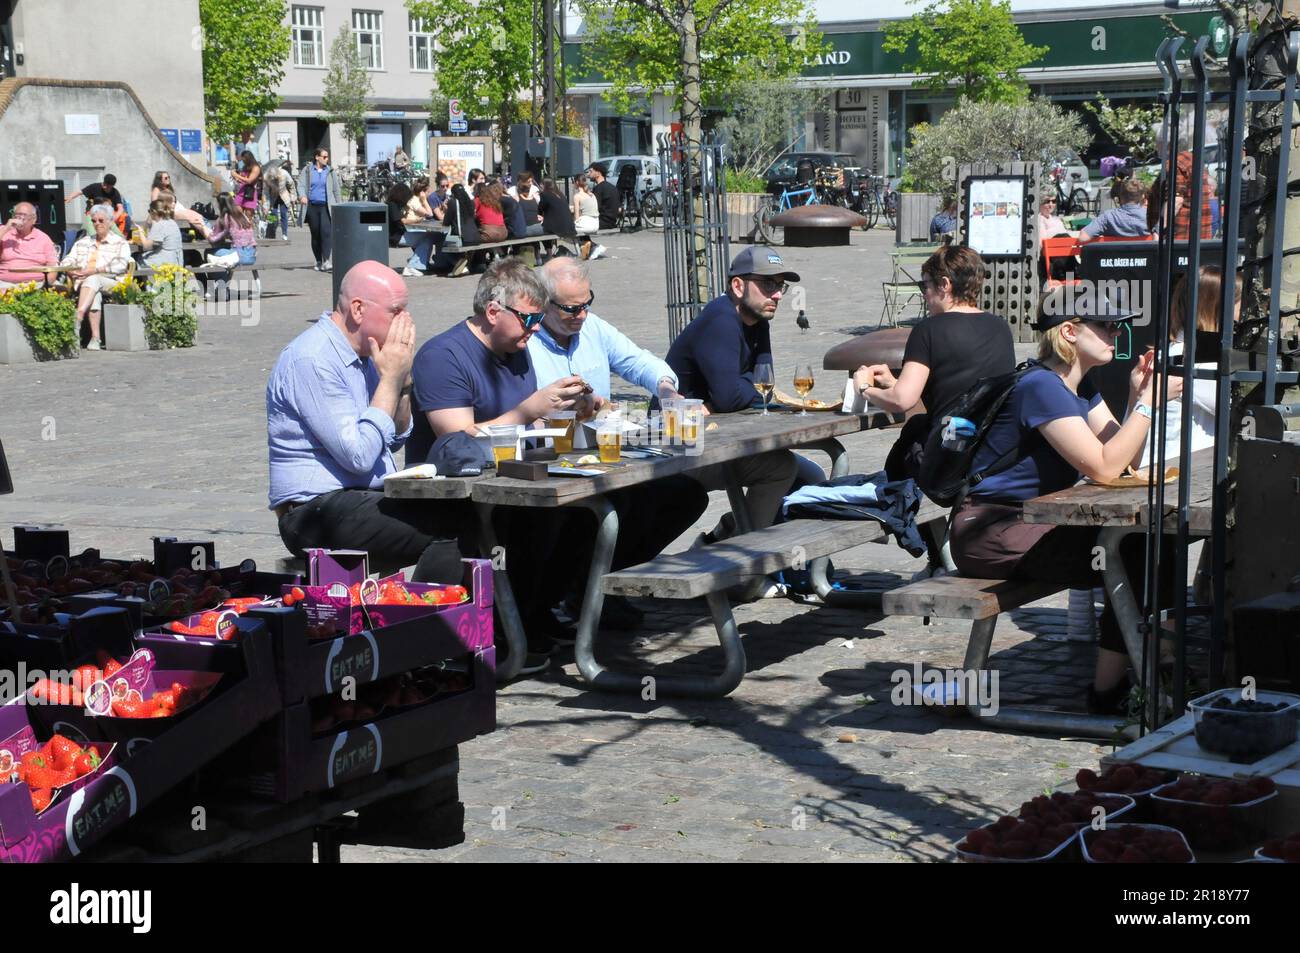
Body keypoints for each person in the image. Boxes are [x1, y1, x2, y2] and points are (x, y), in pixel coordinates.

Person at [949, 288, 1182, 714]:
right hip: (992, 532)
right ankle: (1116, 689)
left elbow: (1123, 458)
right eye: (1107, 326)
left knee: (1149, 542)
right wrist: (1149, 404)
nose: (1117, 333)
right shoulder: (1042, 386)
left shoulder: (1079, 386)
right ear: (1070, 331)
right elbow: (1104, 468)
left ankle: (1151, 670)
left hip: (1030, 523)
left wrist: (1136, 396)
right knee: (1137, 549)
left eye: (1118, 326)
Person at [408, 259, 591, 670]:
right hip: (451, 491)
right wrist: (529, 410)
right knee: (541, 519)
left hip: (511, 478)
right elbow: (456, 438)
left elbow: (531, 428)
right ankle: (507, 631)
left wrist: (569, 413)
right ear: (493, 312)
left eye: (539, 319)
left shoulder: (515, 347)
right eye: (528, 318)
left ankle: (536, 616)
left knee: (587, 512)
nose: (536, 328)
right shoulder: (444, 355)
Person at [267, 260, 478, 585]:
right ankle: (426, 621)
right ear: (358, 309)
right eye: (397, 311)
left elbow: (394, 437)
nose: (405, 321)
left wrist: (403, 385)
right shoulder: (313, 358)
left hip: (364, 496)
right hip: (314, 510)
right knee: (447, 529)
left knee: (475, 511)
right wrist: (390, 380)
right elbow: (358, 455)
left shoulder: (369, 354)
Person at [528, 256, 707, 628]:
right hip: (551, 460)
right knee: (621, 503)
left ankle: (600, 586)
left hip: (603, 456)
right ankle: (572, 595)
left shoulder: (592, 327)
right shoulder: (527, 343)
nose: (580, 314)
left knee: (683, 494)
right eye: (569, 308)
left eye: (586, 303)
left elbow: (638, 361)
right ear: (543, 303)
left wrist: (667, 389)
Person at [666, 247, 822, 534]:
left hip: (719, 439)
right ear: (738, 285)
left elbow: (767, 386)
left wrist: (728, 397)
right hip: (679, 451)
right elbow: (731, 396)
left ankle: (724, 541)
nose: (776, 295)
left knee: (812, 475)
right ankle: (746, 566)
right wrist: (732, 396)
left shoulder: (758, 320)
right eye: (767, 284)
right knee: (781, 468)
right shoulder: (721, 320)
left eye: (780, 286)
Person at [853, 245, 1016, 481]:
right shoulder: (1000, 328)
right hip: (988, 454)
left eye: (925, 285)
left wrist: (865, 389)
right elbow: (959, 389)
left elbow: (901, 401)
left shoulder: (928, 330)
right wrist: (894, 383)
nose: (924, 294)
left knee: (910, 437)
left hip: (947, 461)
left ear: (945, 284)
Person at [1142, 265, 1243, 462]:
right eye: (1242, 302)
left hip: (1178, 470)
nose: (1248, 310)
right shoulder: (1197, 360)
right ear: (1217, 306)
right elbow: (1246, 410)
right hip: (1177, 474)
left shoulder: (1177, 353)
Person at [61, 205, 131, 350]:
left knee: (93, 278)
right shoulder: (83, 242)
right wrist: (71, 271)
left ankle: (78, 316)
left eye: (101, 220)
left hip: (112, 282)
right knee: (94, 289)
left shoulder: (120, 242)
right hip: (85, 282)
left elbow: (121, 265)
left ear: (111, 221)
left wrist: (95, 270)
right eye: (94, 221)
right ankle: (95, 339)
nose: (97, 224)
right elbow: (67, 261)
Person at [298, 148, 341, 272]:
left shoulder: (330, 171)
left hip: (326, 207)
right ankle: (318, 260)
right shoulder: (308, 170)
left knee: (326, 233)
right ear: (317, 157)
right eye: (324, 157)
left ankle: (327, 260)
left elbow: (336, 190)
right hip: (312, 206)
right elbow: (300, 184)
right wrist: (302, 196)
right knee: (316, 234)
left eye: (327, 157)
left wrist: (339, 206)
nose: (327, 159)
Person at [0, 202, 58, 289]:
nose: (20, 218)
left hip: (36, 284)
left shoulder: (43, 238)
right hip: (4, 283)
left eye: (24, 215)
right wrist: (6, 228)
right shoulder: (4, 232)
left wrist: (45, 287)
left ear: (34, 219)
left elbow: (53, 268)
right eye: (17, 215)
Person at [386, 182, 438, 278]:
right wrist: (416, 220)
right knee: (427, 237)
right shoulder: (392, 205)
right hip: (396, 237)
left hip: (398, 235)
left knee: (427, 237)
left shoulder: (395, 205)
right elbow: (402, 221)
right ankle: (413, 266)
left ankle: (419, 262)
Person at [1078, 178, 1150, 243]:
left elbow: (1083, 237)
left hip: (1115, 256)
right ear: (1142, 196)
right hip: (1146, 257)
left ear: (1120, 196)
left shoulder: (1108, 216)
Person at [136, 199, 183, 268]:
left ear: (154, 212)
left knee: (135, 259)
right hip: (177, 261)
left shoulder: (159, 225)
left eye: (149, 211)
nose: (149, 214)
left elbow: (146, 246)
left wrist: (140, 232)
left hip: (165, 263)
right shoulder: (172, 222)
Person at [538, 179, 577, 248]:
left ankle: (549, 253)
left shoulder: (544, 194)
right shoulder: (561, 194)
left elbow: (540, 209)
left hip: (557, 228)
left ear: (545, 186)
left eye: (541, 186)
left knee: (539, 231)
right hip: (569, 226)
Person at [572, 174, 603, 260]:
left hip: (586, 224)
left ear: (577, 182)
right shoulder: (592, 195)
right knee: (579, 228)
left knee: (569, 230)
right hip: (596, 223)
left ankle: (591, 246)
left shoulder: (577, 196)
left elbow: (577, 216)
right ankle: (589, 246)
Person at [266, 160, 296, 242]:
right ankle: (271, 232)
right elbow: (266, 192)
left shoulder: (284, 173)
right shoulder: (268, 177)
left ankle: (284, 234)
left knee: (283, 214)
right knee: (272, 215)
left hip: (283, 196)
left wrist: (293, 197)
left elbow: (291, 184)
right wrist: (266, 205)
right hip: (273, 197)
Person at [232, 151, 262, 216]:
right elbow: (243, 179)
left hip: (250, 192)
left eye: (244, 160)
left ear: (248, 158)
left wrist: (236, 175)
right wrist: (236, 178)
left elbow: (249, 181)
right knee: (237, 213)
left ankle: (249, 226)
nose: (243, 161)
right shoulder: (245, 167)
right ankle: (240, 226)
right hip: (241, 191)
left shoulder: (256, 168)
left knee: (248, 215)